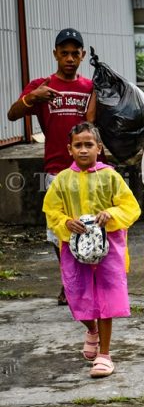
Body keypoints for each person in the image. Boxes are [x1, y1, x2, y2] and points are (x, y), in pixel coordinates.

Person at [42, 122, 141, 378]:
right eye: (78, 145)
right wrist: (65, 222)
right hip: (75, 251)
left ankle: (104, 354)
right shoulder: (63, 180)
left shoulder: (110, 176)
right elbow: (51, 210)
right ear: (69, 149)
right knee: (77, 296)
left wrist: (112, 213)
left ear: (99, 147)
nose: (84, 150)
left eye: (89, 145)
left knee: (105, 300)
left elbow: (130, 206)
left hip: (108, 250)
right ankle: (92, 330)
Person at [6, 28, 96, 306]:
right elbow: (12, 114)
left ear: (82, 56)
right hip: (55, 168)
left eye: (75, 53)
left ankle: (86, 280)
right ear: (55, 54)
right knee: (58, 230)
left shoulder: (89, 88)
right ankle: (68, 281)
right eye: (64, 53)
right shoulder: (41, 85)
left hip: (86, 169)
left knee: (88, 224)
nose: (69, 58)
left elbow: (96, 125)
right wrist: (33, 97)